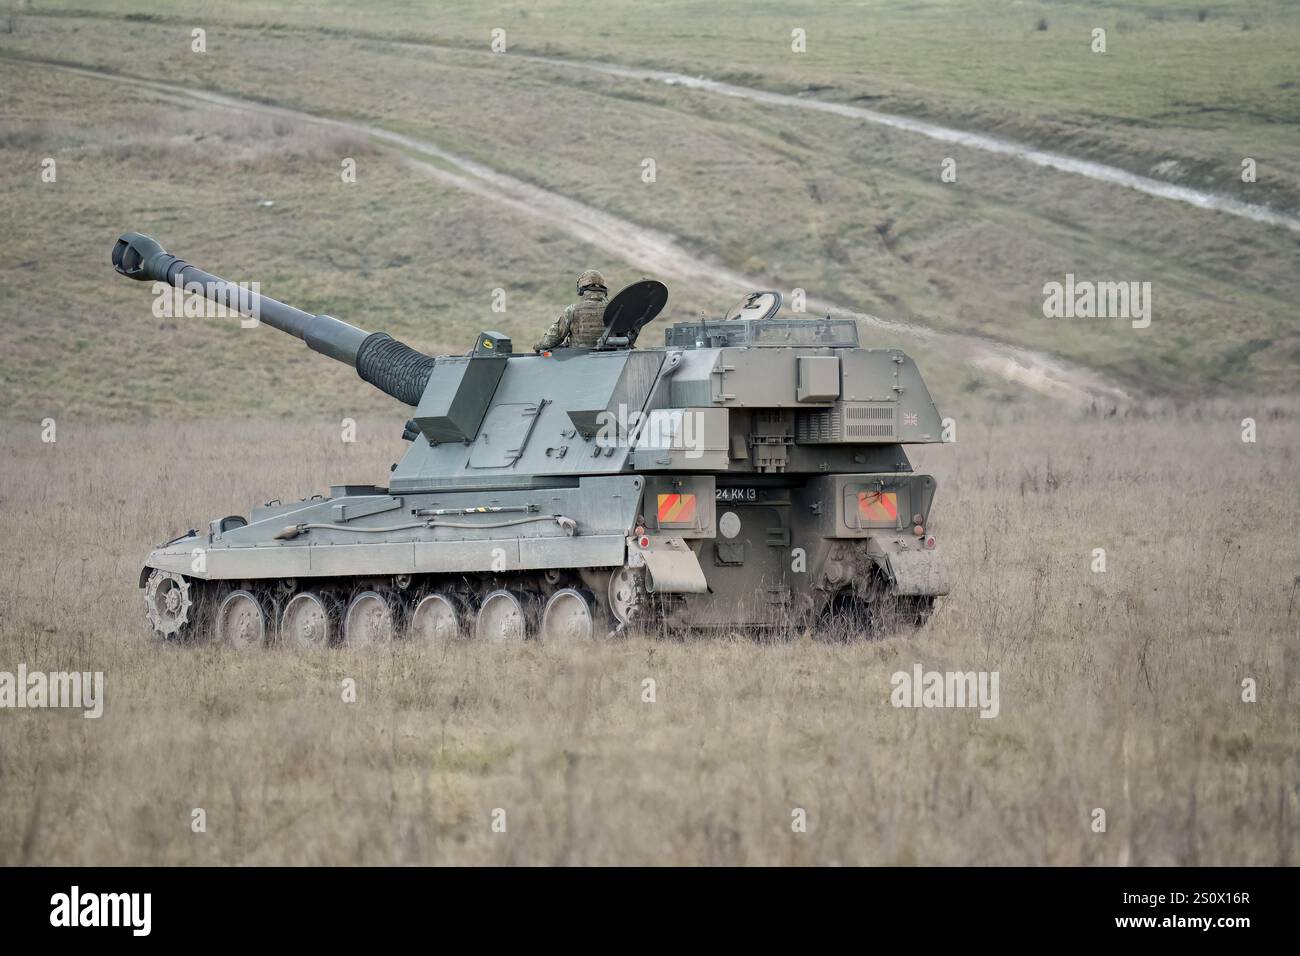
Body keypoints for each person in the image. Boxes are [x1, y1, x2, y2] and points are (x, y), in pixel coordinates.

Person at [533, 270, 608, 351]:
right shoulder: (613, 309)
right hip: (610, 359)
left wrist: (537, 346)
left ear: (581, 288)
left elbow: (553, 338)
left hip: (578, 359)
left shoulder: (572, 310)